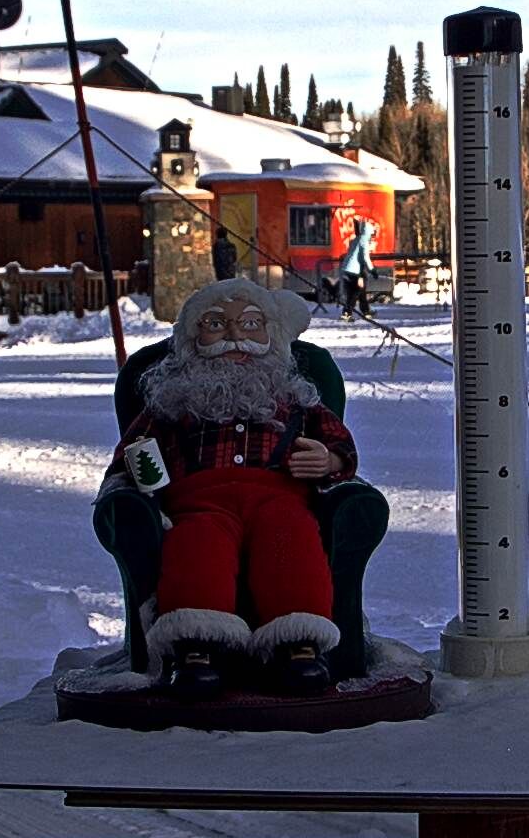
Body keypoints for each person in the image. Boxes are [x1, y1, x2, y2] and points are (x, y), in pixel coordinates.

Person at [106, 278, 357, 699]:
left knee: (291, 541)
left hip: (279, 498)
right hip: (198, 503)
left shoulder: (296, 400)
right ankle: (197, 646)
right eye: (216, 324)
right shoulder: (172, 403)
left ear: (272, 334)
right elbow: (128, 457)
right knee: (196, 548)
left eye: (251, 323)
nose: (235, 335)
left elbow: (341, 447)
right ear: (192, 338)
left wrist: (329, 461)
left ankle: (298, 644)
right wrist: (141, 474)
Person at [337, 217, 376, 321]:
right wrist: (371, 271)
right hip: (356, 271)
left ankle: (366, 311)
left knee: (360, 292)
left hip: (348, 269)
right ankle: (347, 313)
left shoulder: (355, 241)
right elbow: (364, 258)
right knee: (355, 292)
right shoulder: (363, 242)